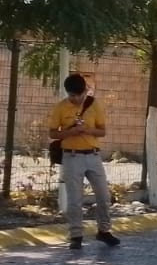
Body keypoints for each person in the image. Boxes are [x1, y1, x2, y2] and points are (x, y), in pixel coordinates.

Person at [47, 73, 121, 249]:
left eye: (78, 95)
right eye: (71, 96)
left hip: (93, 156)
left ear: (84, 92)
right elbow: (52, 133)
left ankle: (104, 231)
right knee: (75, 199)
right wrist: (71, 132)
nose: (75, 99)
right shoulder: (60, 108)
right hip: (71, 156)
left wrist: (88, 130)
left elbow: (102, 131)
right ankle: (76, 235)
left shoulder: (94, 105)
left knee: (103, 196)